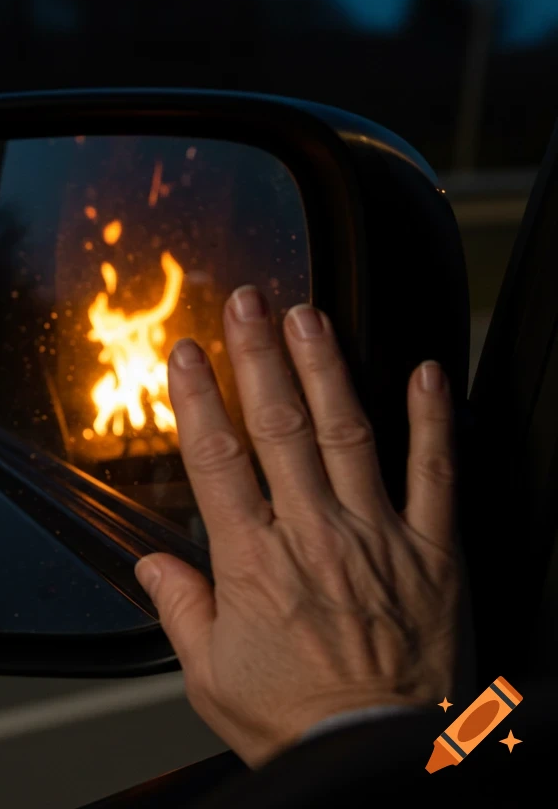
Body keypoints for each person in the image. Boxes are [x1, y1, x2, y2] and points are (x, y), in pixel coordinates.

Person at [142, 284, 463, 769]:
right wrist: (456, 715)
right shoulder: (490, 711)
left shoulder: (483, 715)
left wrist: (332, 714)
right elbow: (470, 747)